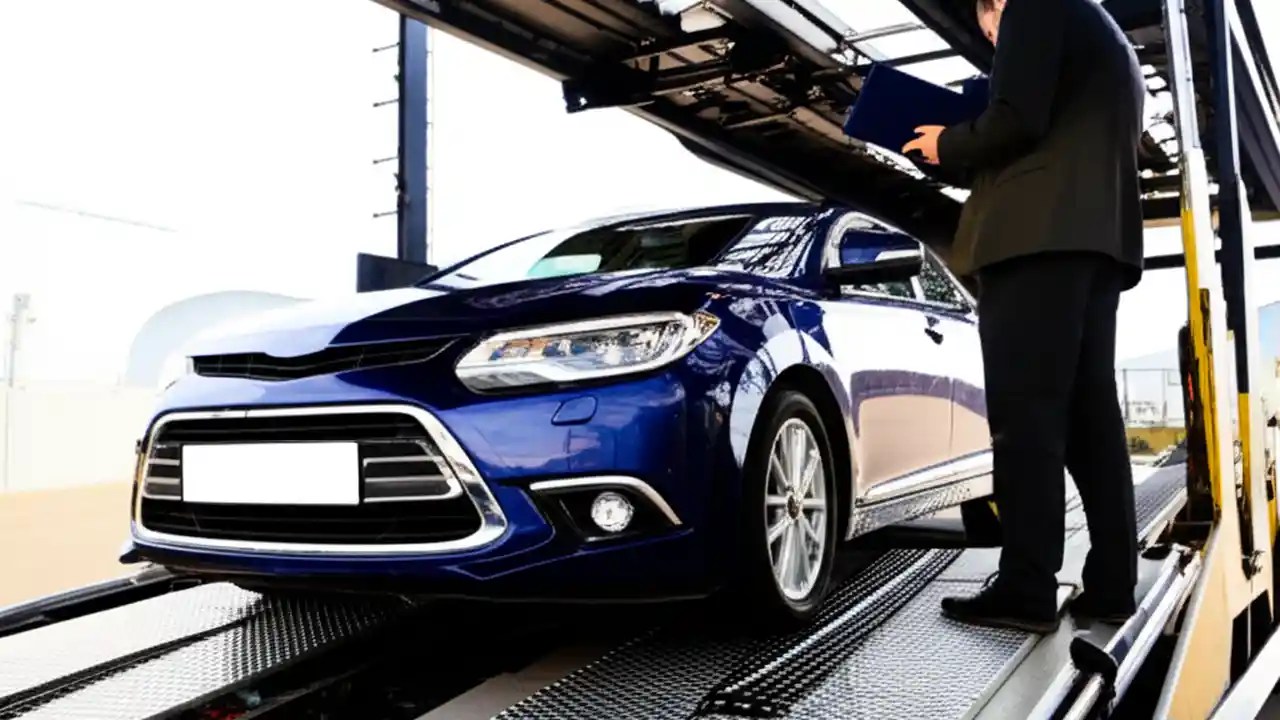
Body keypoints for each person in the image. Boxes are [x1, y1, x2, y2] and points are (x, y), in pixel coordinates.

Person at [900, 0, 1146, 633]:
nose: (991, 38)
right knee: (1091, 421)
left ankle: (1026, 587)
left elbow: (1016, 119)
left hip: (1035, 243)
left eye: (988, 28)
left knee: (1026, 420)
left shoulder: (1032, 6)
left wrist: (944, 142)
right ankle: (1113, 583)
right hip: (1094, 242)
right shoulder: (1106, 37)